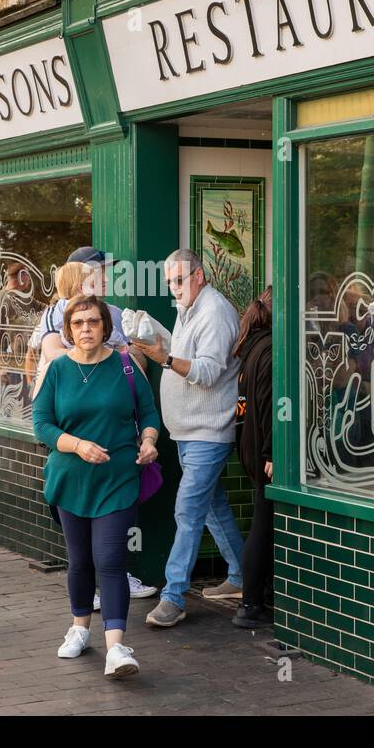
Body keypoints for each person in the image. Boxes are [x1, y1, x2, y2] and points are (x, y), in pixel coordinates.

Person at [34, 295, 159, 677]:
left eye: (92, 322)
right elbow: (42, 424)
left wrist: (150, 441)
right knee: (80, 561)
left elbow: (150, 412)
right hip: (71, 479)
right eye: (77, 323)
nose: (85, 329)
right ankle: (78, 627)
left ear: (105, 325)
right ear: (68, 330)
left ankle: (117, 647)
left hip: (117, 478)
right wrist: (78, 445)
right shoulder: (58, 370)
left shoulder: (124, 366)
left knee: (110, 559)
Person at [131, 249, 246, 627]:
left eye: (179, 280)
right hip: (188, 430)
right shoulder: (189, 308)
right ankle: (243, 577)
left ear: (199, 275)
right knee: (213, 506)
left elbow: (210, 372)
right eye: (169, 281)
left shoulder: (214, 312)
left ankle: (174, 596)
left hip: (208, 433)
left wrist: (163, 358)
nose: (173, 288)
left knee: (187, 510)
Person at [232, 289, 274, 629]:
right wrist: (272, 453)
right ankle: (250, 604)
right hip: (263, 450)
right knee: (262, 524)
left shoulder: (253, 345)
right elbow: (271, 405)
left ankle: (257, 597)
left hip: (249, 447)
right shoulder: (272, 349)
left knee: (263, 523)